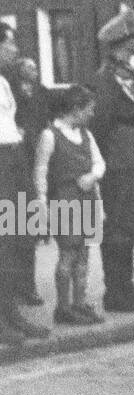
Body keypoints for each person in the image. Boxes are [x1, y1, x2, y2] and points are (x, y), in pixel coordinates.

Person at [90, 6, 134, 313]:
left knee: (128, 227)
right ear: (123, 43)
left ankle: (125, 287)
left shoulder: (129, 75)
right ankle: (116, 292)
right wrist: (103, 164)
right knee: (119, 227)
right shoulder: (106, 79)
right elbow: (100, 124)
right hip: (119, 163)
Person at [32, 85, 105, 325]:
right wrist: (42, 202)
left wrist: (92, 176)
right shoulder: (50, 135)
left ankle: (79, 303)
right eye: (89, 109)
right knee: (67, 254)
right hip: (64, 201)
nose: (92, 114)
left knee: (84, 253)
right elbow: (40, 171)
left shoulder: (87, 134)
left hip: (87, 199)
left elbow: (99, 163)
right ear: (75, 108)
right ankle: (62, 308)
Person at [1, 24, 49, 345]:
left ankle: (11, 314)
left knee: (16, 238)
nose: (15, 50)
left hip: (13, 161)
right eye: (9, 44)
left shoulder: (5, 82)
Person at [10, 56, 47, 307]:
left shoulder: (41, 92)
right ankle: (16, 287)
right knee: (14, 225)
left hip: (37, 157)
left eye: (35, 67)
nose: (34, 71)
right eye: (29, 67)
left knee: (30, 225)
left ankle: (29, 285)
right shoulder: (10, 91)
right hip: (16, 158)